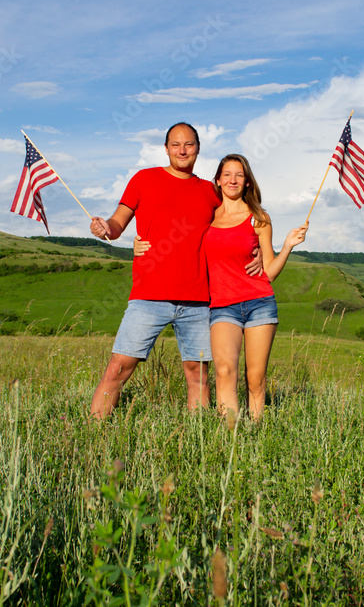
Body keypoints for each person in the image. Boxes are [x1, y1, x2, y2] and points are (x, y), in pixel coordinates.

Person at [88, 123, 259, 419]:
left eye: (189, 144)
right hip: (149, 295)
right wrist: (107, 229)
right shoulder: (144, 179)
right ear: (166, 148)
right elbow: (117, 223)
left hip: (199, 301)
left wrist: (256, 249)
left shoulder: (209, 190)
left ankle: (198, 442)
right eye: (176, 144)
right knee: (118, 367)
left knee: (199, 376)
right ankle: (93, 431)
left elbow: (238, 217)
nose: (182, 150)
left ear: (198, 148)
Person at [136, 153, 307, 421]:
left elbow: (269, 272)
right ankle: (231, 436)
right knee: (225, 370)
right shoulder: (207, 216)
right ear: (218, 180)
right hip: (222, 306)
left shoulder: (258, 218)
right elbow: (175, 236)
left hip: (259, 303)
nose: (233, 180)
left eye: (239, 175)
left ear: (247, 182)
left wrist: (287, 246)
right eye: (227, 174)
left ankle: (257, 433)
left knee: (256, 377)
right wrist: (137, 245)